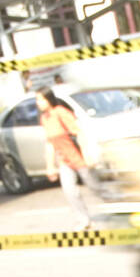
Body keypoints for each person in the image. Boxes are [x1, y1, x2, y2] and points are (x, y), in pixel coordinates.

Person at [36, 89, 101, 229]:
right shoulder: (45, 118)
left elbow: (78, 133)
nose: (38, 103)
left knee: (95, 187)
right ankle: (84, 221)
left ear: (49, 99)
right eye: (37, 100)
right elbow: (49, 143)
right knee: (70, 191)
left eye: (41, 99)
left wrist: (86, 155)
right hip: (64, 161)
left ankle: (118, 206)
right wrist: (50, 166)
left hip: (78, 158)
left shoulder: (61, 112)